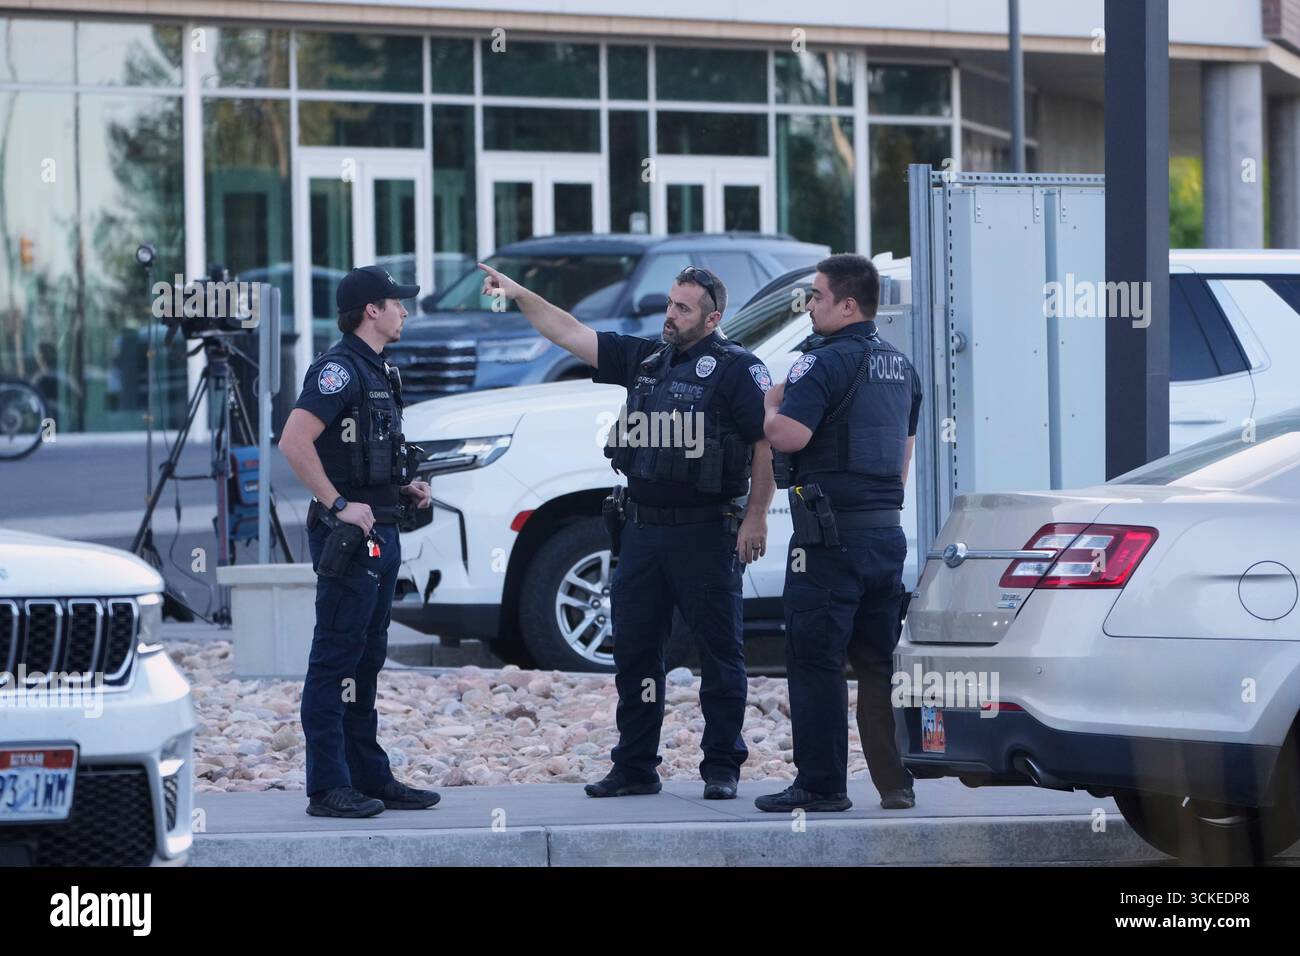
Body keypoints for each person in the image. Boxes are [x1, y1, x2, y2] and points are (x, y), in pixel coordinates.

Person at [477, 261, 775, 800]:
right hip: (641, 531)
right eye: (669, 303)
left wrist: (756, 516)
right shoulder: (646, 360)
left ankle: (722, 766)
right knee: (636, 653)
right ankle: (636, 766)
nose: (670, 315)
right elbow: (570, 332)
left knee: (720, 654)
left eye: (683, 309)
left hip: (706, 532)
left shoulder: (738, 369)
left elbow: (763, 443)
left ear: (712, 320)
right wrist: (520, 293)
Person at [755, 253, 921, 813]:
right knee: (877, 664)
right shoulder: (902, 366)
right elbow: (903, 455)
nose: (809, 307)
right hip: (884, 537)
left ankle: (821, 786)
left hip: (827, 544)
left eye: (817, 297)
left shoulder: (819, 364)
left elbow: (790, 436)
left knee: (814, 659)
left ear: (849, 304)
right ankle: (895, 783)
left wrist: (768, 407)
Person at [278, 265, 440, 818]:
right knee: (336, 660)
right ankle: (327, 787)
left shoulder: (378, 372)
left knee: (366, 659)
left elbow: (362, 453)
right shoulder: (337, 371)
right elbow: (294, 441)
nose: (405, 311)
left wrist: (402, 488)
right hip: (351, 538)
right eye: (398, 302)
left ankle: (368, 775)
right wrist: (339, 505)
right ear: (372, 309)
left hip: (381, 531)